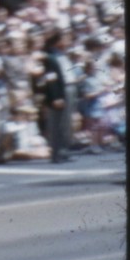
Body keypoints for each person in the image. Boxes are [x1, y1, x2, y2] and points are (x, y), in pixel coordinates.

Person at [39, 30, 78, 163]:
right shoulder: (50, 57)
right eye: (64, 39)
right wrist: (56, 96)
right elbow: (51, 78)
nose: (68, 41)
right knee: (57, 123)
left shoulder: (63, 55)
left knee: (66, 123)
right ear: (57, 42)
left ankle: (64, 149)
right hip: (61, 90)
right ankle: (57, 152)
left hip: (70, 87)